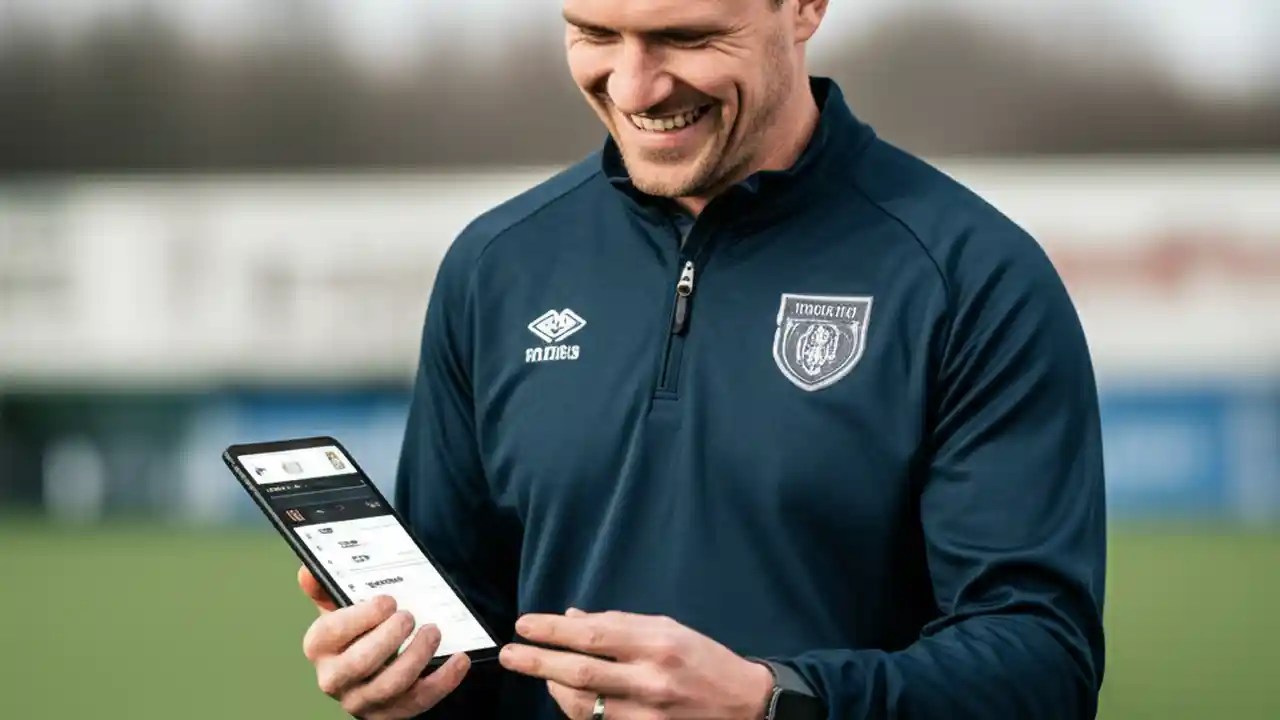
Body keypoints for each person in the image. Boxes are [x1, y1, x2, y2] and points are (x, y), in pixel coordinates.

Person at [297, 0, 1107, 717]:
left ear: (804, 8)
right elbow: (469, 651)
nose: (634, 86)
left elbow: (1043, 668)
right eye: (594, 33)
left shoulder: (971, 276)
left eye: (685, 37)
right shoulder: (495, 267)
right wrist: (400, 682)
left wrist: (772, 703)